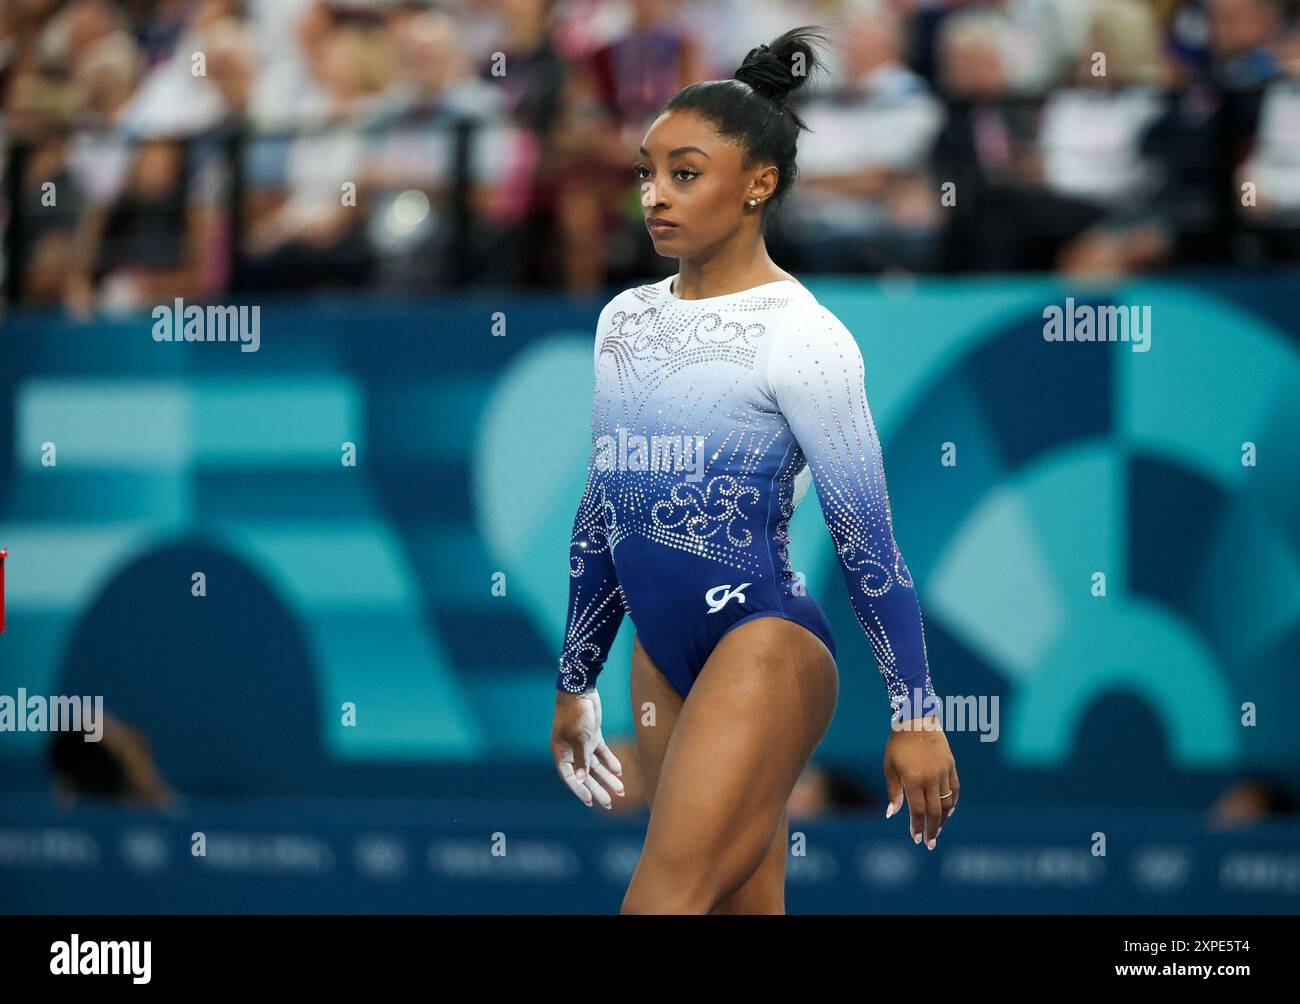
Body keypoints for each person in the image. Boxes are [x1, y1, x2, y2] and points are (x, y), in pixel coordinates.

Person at [549, 26, 958, 915]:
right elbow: (602, 508)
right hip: (660, 656)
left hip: (764, 645)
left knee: (661, 900)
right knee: (743, 907)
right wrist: (576, 678)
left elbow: (867, 539)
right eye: (647, 173)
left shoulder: (804, 336)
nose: (655, 195)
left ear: (758, 185)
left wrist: (917, 714)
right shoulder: (622, 319)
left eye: (685, 174)